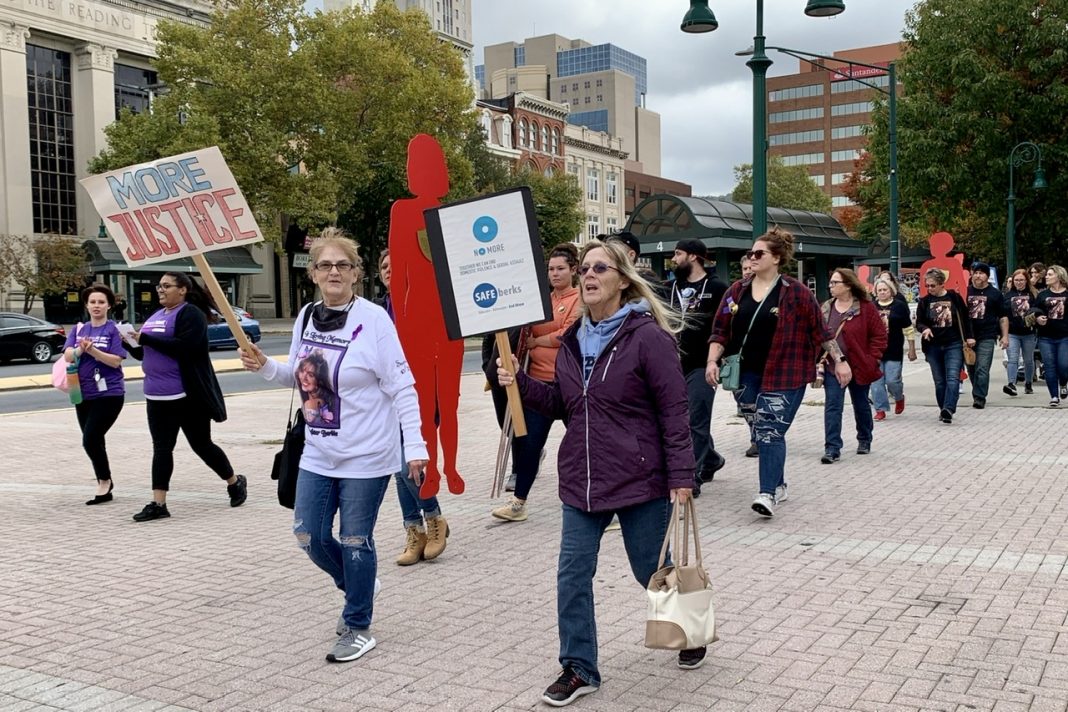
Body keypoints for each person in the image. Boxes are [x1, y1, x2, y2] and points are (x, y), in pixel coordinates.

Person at [496, 239, 700, 706]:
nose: (588, 275)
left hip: (638, 477)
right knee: (571, 575)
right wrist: (521, 382)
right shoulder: (571, 341)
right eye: (584, 268)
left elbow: (673, 411)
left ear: (622, 280)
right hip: (580, 480)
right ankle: (579, 667)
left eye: (599, 268)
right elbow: (567, 405)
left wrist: (681, 477)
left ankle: (690, 630)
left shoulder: (647, 337)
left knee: (650, 570)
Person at [241, 229, 428, 663]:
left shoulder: (375, 320)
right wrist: (265, 365)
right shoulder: (306, 316)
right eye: (325, 265)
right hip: (318, 452)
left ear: (356, 274)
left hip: (367, 454)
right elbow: (299, 376)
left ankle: (358, 625)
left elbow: (402, 386)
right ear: (313, 274)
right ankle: (358, 583)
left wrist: (415, 445)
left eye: (342, 265)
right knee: (308, 534)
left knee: (355, 538)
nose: (334, 272)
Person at [706, 227, 849, 518]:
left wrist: (840, 359)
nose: (752, 258)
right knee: (761, 432)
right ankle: (779, 483)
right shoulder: (737, 290)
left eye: (759, 253)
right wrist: (712, 362)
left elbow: (821, 331)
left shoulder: (796, 292)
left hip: (786, 374)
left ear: (777, 258)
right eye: (750, 253)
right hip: (745, 375)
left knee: (770, 431)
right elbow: (720, 331)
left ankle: (767, 493)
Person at [127, 272, 246, 521]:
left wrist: (146, 338)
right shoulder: (157, 315)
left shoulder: (190, 313)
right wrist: (130, 342)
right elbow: (146, 353)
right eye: (159, 285)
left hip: (186, 394)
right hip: (156, 395)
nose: (160, 290)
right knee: (161, 448)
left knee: (201, 445)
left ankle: (234, 482)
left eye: (166, 286)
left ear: (182, 290)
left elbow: (186, 348)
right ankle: (159, 504)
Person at [492, 243, 580, 522]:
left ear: (573, 270)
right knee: (529, 444)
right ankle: (519, 503)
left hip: (570, 385)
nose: (554, 274)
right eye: (551, 269)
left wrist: (536, 340)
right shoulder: (540, 300)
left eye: (560, 269)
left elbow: (568, 334)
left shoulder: (581, 299)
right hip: (538, 384)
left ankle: (609, 505)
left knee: (585, 443)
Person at [376, 249, 448, 565]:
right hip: (385, 398)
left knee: (409, 462)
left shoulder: (421, 305)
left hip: (419, 395)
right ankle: (414, 529)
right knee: (396, 464)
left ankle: (434, 517)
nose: (389, 270)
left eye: (395, 264)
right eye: (383, 266)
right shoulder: (377, 311)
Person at [667, 238, 727, 495]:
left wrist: (718, 358)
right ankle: (711, 459)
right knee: (679, 421)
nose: (674, 258)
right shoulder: (670, 288)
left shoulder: (717, 288)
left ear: (693, 257)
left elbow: (724, 327)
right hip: (671, 365)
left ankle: (693, 478)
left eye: (678, 253)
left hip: (703, 364)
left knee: (696, 421)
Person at [63, 284, 126, 505]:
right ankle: (104, 482)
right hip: (82, 392)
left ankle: (105, 481)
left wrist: (93, 350)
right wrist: (81, 349)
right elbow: (68, 356)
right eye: (93, 302)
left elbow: (116, 360)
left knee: (89, 439)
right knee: (95, 440)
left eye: (101, 302)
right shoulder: (79, 329)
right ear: (87, 305)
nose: (96, 306)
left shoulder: (113, 330)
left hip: (110, 393)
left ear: (109, 305)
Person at [819, 269, 887, 463]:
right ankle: (832, 448)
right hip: (834, 366)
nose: (831, 286)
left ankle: (864, 438)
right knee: (833, 406)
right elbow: (818, 335)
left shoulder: (865, 308)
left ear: (848, 284)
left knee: (861, 404)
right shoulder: (826, 308)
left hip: (859, 366)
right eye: (830, 283)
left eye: (835, 283)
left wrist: (872, 359)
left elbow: (879, 337)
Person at [915, 267, 974, 424]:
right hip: (933, 345)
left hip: (953, 343)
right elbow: (919, 322)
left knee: (953, 377)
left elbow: (964, 318)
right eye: (927, 286)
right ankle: (943, 409)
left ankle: (949, 408)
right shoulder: (924, 301)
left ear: (942, 284)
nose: (929, 289)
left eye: (932, 285)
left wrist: (969, 337)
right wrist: (925, 329)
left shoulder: (954, 297)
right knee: (939, 381)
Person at [871, 277, 916, 420]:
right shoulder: (871, 307)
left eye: (885, 290)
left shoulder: (899, 306)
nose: (882, 292)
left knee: (892, 381)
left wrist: (912, 348)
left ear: (891, 291)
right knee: (876, 382)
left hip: (894, 349)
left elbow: (908, 328)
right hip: (875, 351)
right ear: (875, 292)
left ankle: (899, 397)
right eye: (879, 290)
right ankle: (880, 409)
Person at [965, 262, 1009, 409]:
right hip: (968, 335)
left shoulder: (995, 294)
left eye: (981, 273)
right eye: (975, 272)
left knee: (982, 368)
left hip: (987, 335)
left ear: (987, 276)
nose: (978, 276)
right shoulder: (965, 291)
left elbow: (1003, 316)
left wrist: (1005, 336)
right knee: (971, 367)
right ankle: (977, 391)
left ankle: (979, 397)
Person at [1034, 265, 1068, 407]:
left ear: (1059, 276)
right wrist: (1038, 318)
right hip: (1045, 336)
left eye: (1049, 274)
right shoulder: (1042, 295)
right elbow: (1034, 311)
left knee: (1063, 365)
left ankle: (1063, 383)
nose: (1046, 277)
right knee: (1049, 366)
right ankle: (1054, 396)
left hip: (1065, 335)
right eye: (1046, 274)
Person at [1003, 268, 1038, 396]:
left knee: (1028, 359)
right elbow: (1003, 315)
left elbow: (1038, 310)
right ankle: (1011, 383)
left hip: (1029, 332)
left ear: (1026, 280)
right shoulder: (1007, 296)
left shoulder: (1033, 295)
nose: (1019, 282)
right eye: (1016, 280)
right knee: (1013, 359)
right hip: (1013, 332)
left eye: (1022, 280)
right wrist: (1003, 334)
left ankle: (1028, 383)